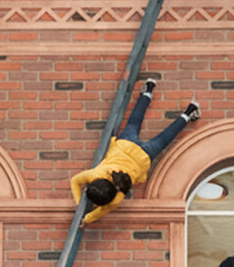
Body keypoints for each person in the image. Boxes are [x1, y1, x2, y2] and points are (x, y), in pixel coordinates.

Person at [70, 79, 200, 224]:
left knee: (165, 138)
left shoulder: (116, 198)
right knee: (134, 121)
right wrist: (77, 203)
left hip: (142, 157)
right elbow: (75, 181)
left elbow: (100, 211)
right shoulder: (94, 175)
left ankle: (190, 111)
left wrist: (86, 219)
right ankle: (148, 90)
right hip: (125, 145)